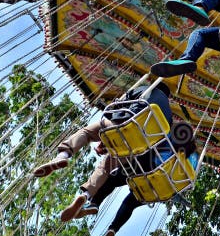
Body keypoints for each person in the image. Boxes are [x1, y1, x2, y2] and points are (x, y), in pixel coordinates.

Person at [56, 82, 174, 223]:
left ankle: (64, 155)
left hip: (124, 127)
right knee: (109, 170)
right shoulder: (169, 117)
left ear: (156, 86)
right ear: (168, 96)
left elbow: (116, 107)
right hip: (138, 148)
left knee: (88, 133)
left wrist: (104, 141)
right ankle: (91, 200)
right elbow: (159, 141)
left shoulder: (145, 89)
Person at [89, 131, 198, 236]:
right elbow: (184, 184)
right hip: (160, 189)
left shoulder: (172, 135)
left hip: (149, 168)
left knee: (113, 179)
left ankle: (94, 203)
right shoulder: (194, 160)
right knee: (130, 203)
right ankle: (113, 229)